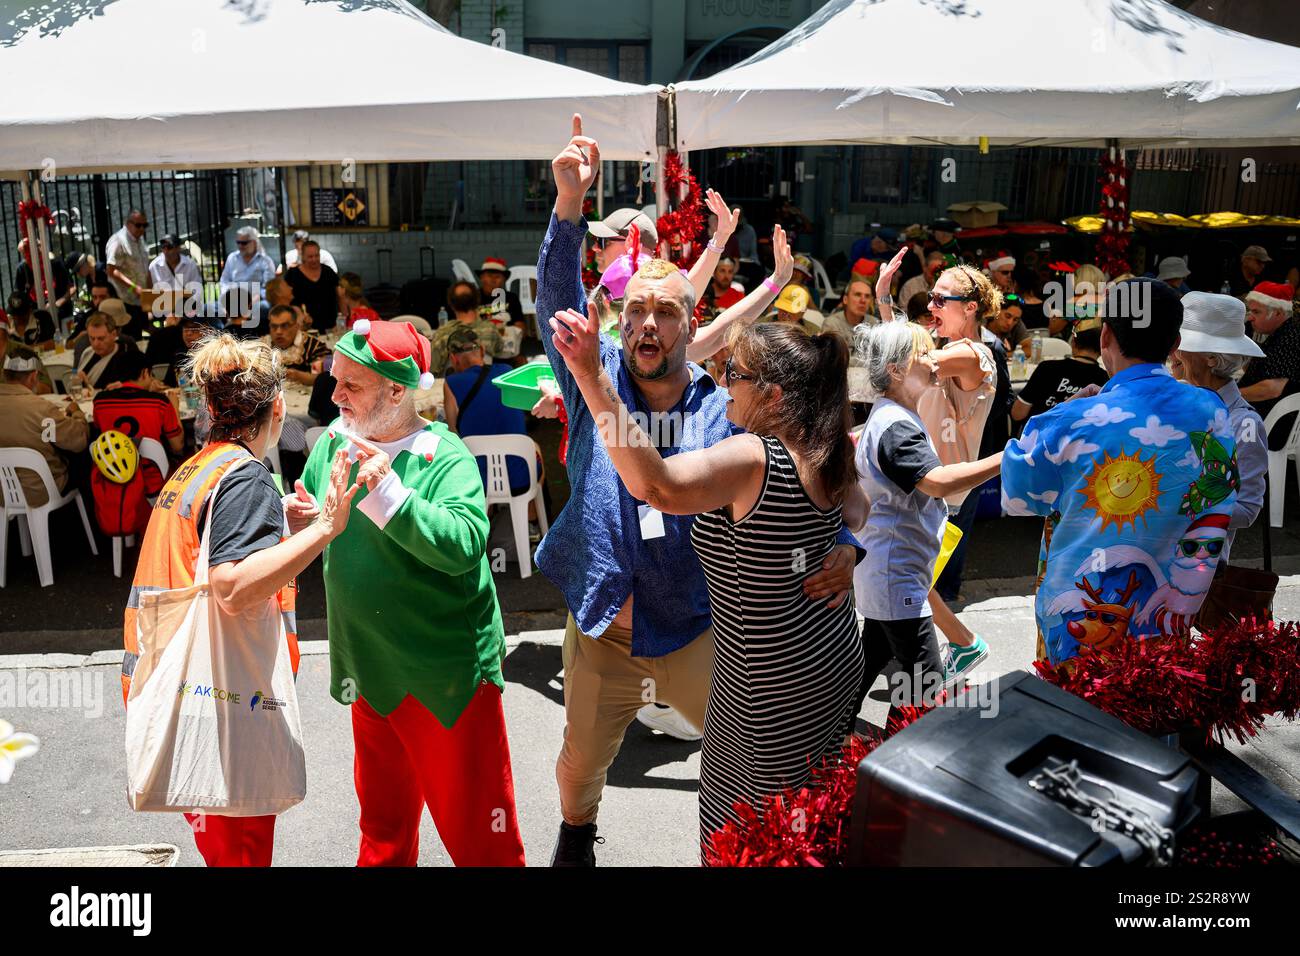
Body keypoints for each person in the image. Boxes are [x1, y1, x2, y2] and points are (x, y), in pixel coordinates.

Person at [537, 115, 859, 866]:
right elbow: (558, 291)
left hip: (694, 626)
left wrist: (846, 544)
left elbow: (815, 475)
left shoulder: (724, 408)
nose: (648, 322)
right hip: (601, 628)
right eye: (636, 309)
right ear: (618, 321)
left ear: (693, 328)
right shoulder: (594, 378)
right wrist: (568, 204)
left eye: (667, 311)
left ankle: (774, 847)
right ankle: (575, 840)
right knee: (577, 769)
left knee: (746, 764)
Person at [552, 304, 868, 859]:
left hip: (765, 689)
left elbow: (660, 488)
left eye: (735, 375)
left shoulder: (753, 456)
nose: (722, 385)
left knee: (746, 836)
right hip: (829, 661)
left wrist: (592, 379)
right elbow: (858, 514)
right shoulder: (826, 444)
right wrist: (844, 545)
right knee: (807, 816)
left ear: (771, 396)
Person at [283, 319, 526, 866]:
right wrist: (302, 520)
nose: (335, 395)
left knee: (480, 835)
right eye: (335, 379)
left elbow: (464, 544)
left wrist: (390, 493)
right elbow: (323, 520)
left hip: (445, 678)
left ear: (397, 390)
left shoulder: (445, 457)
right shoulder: (334, 444)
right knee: (383, 830)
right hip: (369, 669)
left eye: (351, 385)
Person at [122, 333, 360, 866]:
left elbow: (212, 554)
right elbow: (231, 586)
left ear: (209, 409)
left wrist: (283, 527)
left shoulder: (200, 465)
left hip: (177, 681)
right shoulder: (247, 477)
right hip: (221, 698)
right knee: (243, 855)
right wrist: (324, 527)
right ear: (279, 408)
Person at [1002, 279, 1237, 664]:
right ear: (1175, 343)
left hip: (1078, 617)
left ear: (1106, 335)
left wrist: (1057, 416)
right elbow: (1220, 493)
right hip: (1171, 612)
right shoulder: (1211, 410)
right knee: (1154, 710)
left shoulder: (1071, 418)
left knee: (1078, 717)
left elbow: (1018, 494)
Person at [852, 322, 1002, 724]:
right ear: (897, 369)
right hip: (896, 575)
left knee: (870, 666)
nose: (934, 358)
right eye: (924, 352)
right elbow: (935, 482)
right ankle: (895, 766)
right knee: (924, 687)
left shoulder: (894, 415)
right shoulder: (897, 425)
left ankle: (832, 742)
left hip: (893, 571)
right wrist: (1006, 458)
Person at [879, 254, 1000, 678]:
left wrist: (886, 318)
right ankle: (941, 650)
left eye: (939, 300)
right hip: (919, 481)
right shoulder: (948, 347)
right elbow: (906, 359)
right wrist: (883, 299)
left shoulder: (974, 354)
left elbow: (914, 362)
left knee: (906, 577)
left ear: (969, 307)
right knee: (900, 574)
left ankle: (959, 646)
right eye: (929, 299)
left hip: (940, 486)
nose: (931, 307)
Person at [1170, 292, 1266, 561]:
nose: (1172, 351)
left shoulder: (1243, 422)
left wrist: (1177, 504)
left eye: (1181, 344)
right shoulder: (1172, 402)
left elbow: (1246, 509)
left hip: (1198, 569)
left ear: (1211, 358)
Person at [0, 348, 88, 506]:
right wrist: (77, 414)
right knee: (83, 460)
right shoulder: (41, 408)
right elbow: (79, 441)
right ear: (34, 376)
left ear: (5, 374)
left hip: (3, 493)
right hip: (41, 491)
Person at [92, 350, 184, 493]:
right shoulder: (160, 403)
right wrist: (175, 408)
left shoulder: (100, 402)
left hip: (114, 477)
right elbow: (177, 446)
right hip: (154, 479)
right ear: (145, 373)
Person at [1011, 317, 1109, 423]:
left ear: (1073, 343)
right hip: (1079, 437)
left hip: (1041, 436)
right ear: (1102, 346)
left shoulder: (1047, 368)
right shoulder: (1104, 379)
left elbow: (1018, 414)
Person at [1239, 281, 1298, 440]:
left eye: (1256, 312)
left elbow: (1271, 389)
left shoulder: (1289, 339)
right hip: (1259, 415)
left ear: (1278, 313)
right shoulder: (1279, 334)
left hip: (1271, 425)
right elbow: (1258, 371)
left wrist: (1227, 395)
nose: (1250, 317)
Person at [429, 281, 502, 375]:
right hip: (482, 384)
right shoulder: (490, 330)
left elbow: (432, 369)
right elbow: (500, 351)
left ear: (451, 305)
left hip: (451, 387)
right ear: (477, 301)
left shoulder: (442, 334)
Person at [104, 210, 152, 334]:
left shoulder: (140, 240)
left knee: (141, 333)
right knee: (130, 336)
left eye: (144, 225)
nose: (142, 229)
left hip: (139, 299)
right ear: (128, 223)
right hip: (124, 300)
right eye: (138, 225)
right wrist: (134, 288)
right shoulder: (118, 241)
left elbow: (144, 268)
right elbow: (111, 270)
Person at [220, 226, 277, 328]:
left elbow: (269, 287)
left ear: (254, 242)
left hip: (255, 300)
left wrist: (253, 300)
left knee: (263, 308)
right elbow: (224, 281)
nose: (240, 246)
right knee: (209, 309)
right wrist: (227, 299)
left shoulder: (265, 261)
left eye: (244, 243)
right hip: (233, 299)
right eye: (238, 242)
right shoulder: (232, 258)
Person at [262, 303, 330, 388]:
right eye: (274, 326)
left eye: (285, 326)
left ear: (296, 326)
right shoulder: (261, 346)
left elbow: (326, 378)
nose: (278, 331)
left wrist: (299, 376)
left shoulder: (314, 346)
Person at [284, 240, 338, 332]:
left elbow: (339, 295)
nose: (314, 259)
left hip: (329, 326)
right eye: (310, 257)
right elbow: (285, 300)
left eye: (317, 256)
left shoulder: (328, 272)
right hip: (304, 328)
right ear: (303, 257)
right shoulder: (293, 274)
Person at [15, 237, 74, 320]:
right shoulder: (22, 269)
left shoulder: (55, 263)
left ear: (39, 248)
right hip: (37, 316)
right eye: (24, 254)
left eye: (28, 253)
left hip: (62, 312)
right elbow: (19, 294)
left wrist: (57, 304)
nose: (27, 257)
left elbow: (72, 288)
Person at [76, 312, 139, 389]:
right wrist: (77, 380)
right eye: (92, 338)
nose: (96, 344)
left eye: (101, 338)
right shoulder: (87, 352)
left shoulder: (127, 356)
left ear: (114, 334)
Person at [821, 275, 876, 346]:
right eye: (858, 295)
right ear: (845, 299)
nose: (863, 300)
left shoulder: (875, 325)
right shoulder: (832, 325)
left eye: (867, 296)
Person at [476, 257, 525, 331]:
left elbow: (520, 327)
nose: (493, 280)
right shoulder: (473, 297)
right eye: (489, 276)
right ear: (482, 278)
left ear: (504, 280)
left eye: (497, 277)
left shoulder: (512, 298)